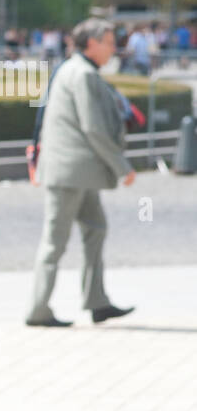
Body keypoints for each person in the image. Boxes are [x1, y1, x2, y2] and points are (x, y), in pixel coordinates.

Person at [25, 18, 136, 327]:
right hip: (71, 172)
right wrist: (122, 167)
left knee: (95, 229)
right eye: (110, 42)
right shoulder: (84, 74)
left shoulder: (72, 69)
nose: (114, 48)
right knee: (55, 241)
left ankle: (97, 301)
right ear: (93, 43)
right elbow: (93, 128)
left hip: (74, 171)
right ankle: (38, 309)